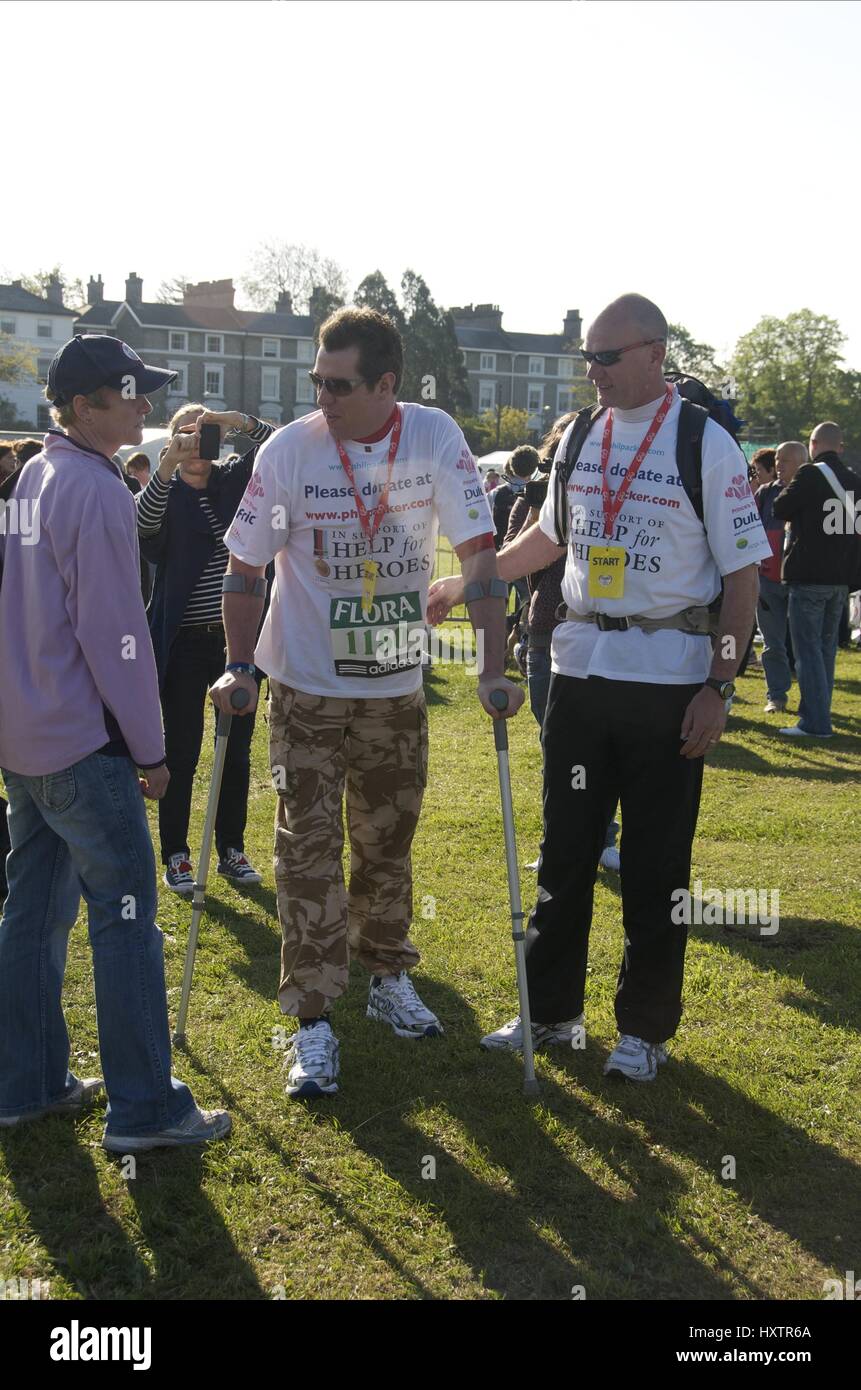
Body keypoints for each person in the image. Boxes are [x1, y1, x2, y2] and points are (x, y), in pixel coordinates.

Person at [429, 293, 771, 1081]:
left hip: (668, 682)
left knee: (655, 864)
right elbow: (548, 537)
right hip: (579, 671)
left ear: (655, 353)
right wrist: (469, 577)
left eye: (606, 358)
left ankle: (642, 1030)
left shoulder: (703, 441)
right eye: (586, 357)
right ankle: (550, 1012)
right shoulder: (581, 432)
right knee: (565, 851)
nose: (593, 372)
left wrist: (718, 686)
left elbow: (742, 575)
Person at [212, 306, 522, 1099]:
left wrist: (494, 662)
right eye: (315, 381)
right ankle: (312, 1018)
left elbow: (481, 555)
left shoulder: (433, 437)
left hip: (392, 679)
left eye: (339, 385)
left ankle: (386, 975)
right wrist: (238, 666)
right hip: (307, 684)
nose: (322, 397)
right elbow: (246, 569)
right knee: (304, 847)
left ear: (386, 384)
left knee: (386, 840)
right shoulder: (289, 450)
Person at [0, 333, 229, 1150]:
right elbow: (115, 632)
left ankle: (23, 1083)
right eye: (134, 392)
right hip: (79, 741)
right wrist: (150, 746)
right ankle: (145, 1108)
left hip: (27, 737)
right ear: (88, 403)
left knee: (31, 910)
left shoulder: (36, 472)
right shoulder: (93, 488)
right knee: (126, 915)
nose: (148, 405)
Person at [137, 403, 272, 893]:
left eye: (204, 435)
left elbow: (277, 448)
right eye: (185, 435)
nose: (197, 445)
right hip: (184, 643)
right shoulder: (164, 491)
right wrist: (168, 464)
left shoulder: (234, 480)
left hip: (237, 643)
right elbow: (143, 528)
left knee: (235, 752)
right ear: (171, 440)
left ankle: (231, 850)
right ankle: (176, 854)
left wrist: (237, 421)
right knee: (182, 751)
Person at [773, 421, 861, 738]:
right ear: (840, 445)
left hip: (809, 575)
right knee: (825, 652)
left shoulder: (810, 474)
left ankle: (815, 723)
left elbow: (780, 506)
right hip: (841, 580)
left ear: (812, 444)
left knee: (807, 652)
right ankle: (819, 715)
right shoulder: (855, 481)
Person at [754, 444, 800, 713]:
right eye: (778, 461)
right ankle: (777, 696)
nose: (780, 465)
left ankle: (812, 700)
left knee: (804, 644)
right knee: (772, 643)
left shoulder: (808, 493)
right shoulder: (764, 493)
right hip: (767, 579)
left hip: (799, 578)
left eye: (786, 461)